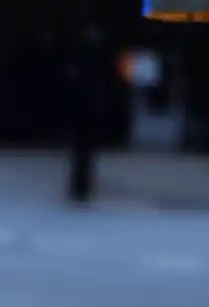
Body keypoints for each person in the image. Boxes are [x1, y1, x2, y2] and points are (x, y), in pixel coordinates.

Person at [64, 22, 114, 203]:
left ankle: (80, 186)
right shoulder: (92, 62)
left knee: (82, 152)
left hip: (83, 111)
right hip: (86, 110)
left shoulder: (80, 61)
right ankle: (81, 186)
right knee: (84, 152)